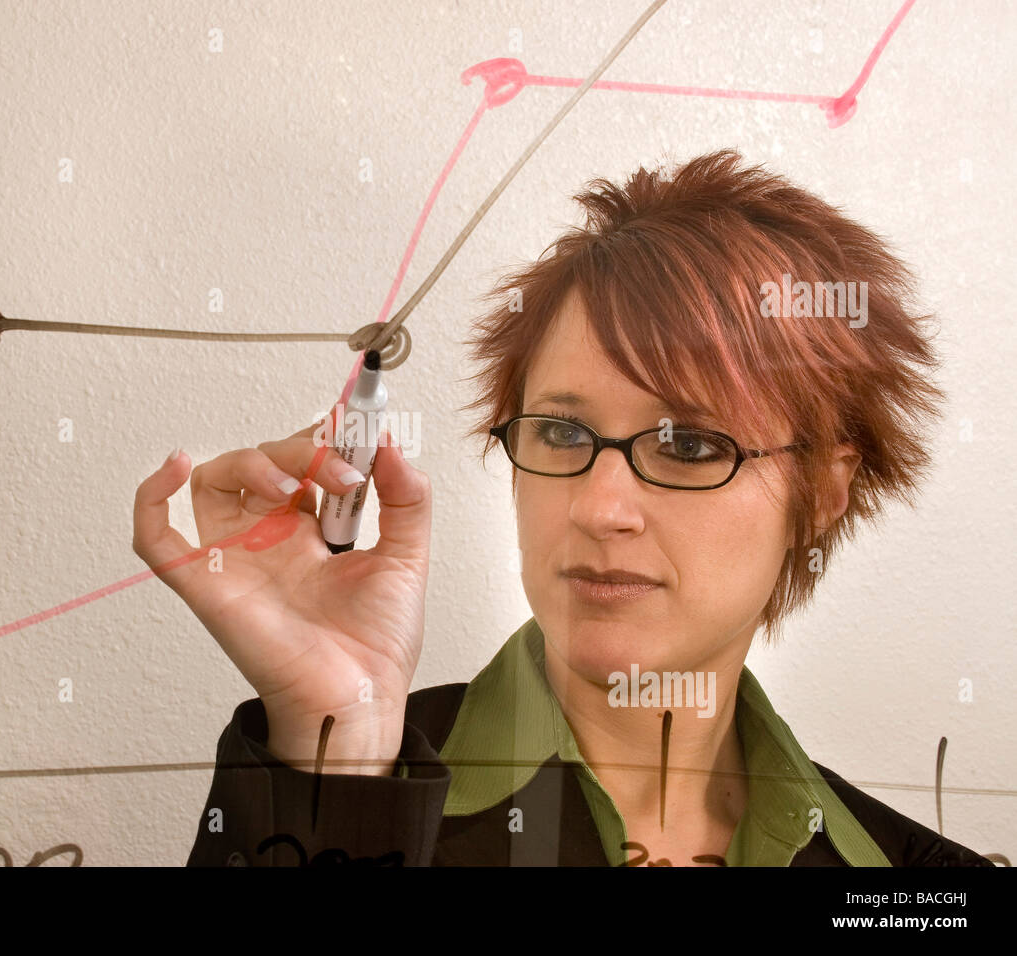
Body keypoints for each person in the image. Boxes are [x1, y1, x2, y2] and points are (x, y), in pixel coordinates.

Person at [133, 149, 994, 866]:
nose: (601, 507)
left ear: (824, 493)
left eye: (689, 445)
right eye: (561, 434)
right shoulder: (341, 779)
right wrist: (337, 762)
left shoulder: (912, 886)